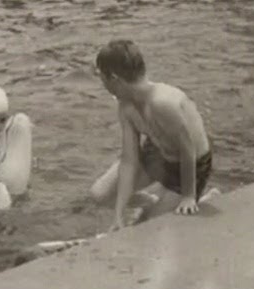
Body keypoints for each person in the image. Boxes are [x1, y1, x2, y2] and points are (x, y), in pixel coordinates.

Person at [89, 40, 213, 229]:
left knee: (147, 225)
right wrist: (119, 214)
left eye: (102, 78)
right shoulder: (126, 107)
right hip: (158, 154)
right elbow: (129, 160)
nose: (103, 84)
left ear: (114, 79)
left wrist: (188, 196)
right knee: (99, 195)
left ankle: (199, 199)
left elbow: (188, 149)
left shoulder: (162, 102)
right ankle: (154, 202)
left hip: (191, 164)